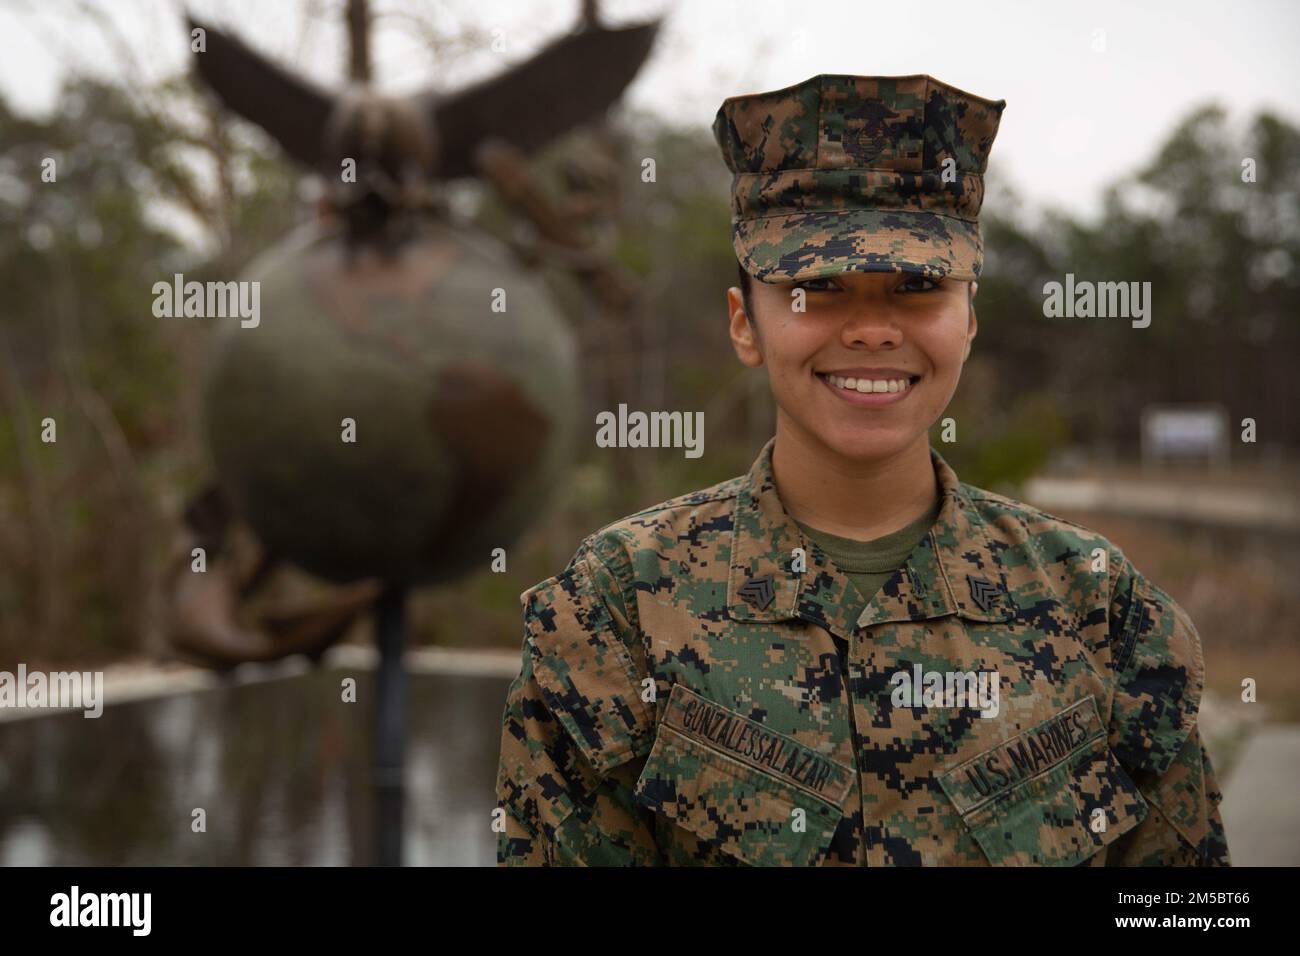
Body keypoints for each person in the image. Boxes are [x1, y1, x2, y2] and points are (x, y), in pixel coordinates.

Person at [493, 73, 1231, 866]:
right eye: (819, 288)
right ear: (745, 324)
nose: (874, 330)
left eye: (918, 288)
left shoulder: (1101, 611)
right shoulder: (614, 614)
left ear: (969, 318)